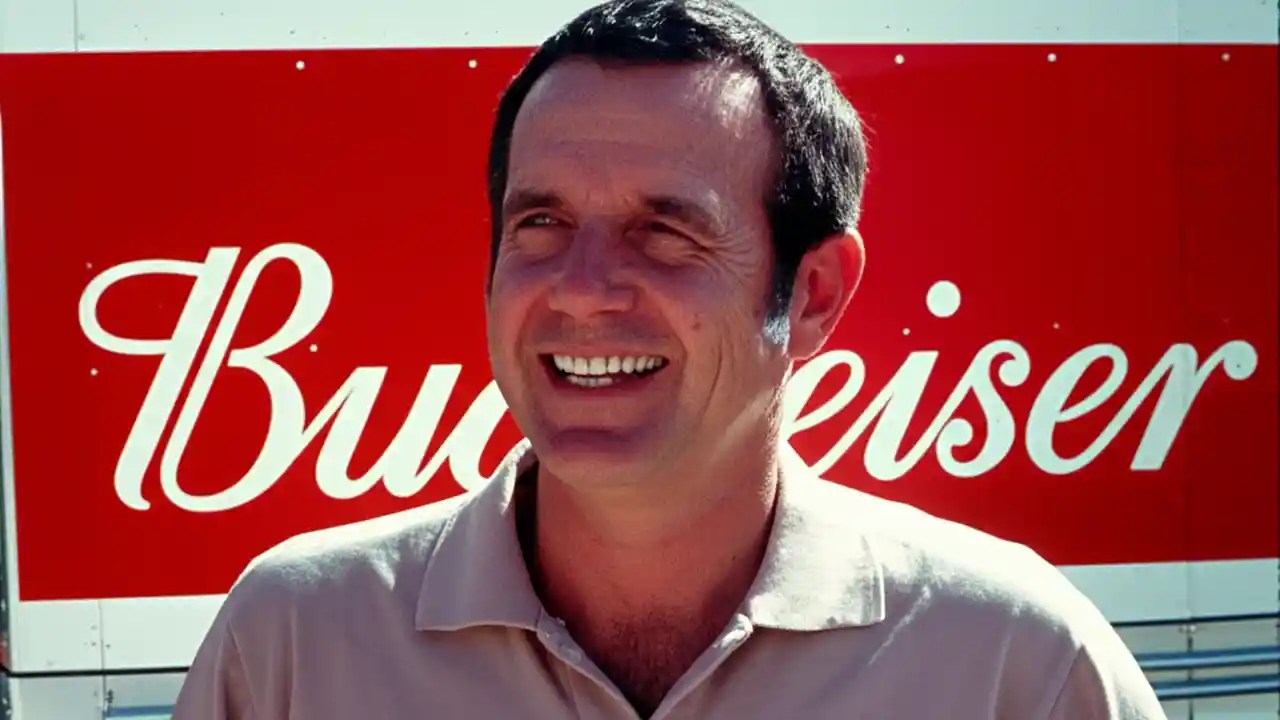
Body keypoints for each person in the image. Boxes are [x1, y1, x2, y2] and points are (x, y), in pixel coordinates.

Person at [173, 1, 1167, 718]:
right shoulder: (295, 643)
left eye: (665, 232)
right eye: (540, 222)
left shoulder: (1013, 657)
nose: (581, 286)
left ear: (813, 293)